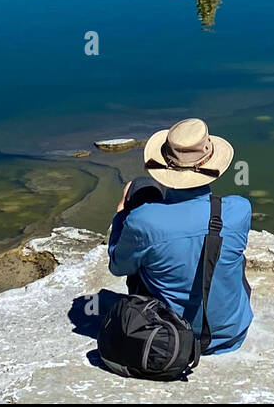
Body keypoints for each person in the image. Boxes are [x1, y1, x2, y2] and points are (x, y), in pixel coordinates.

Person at [107, 118, 252, 353]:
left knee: (141, 190)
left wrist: (122, 215)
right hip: (233, 334)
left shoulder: (143, 221)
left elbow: (117, 265)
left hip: (167, 337)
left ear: (166, 166)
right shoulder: (239, 210)